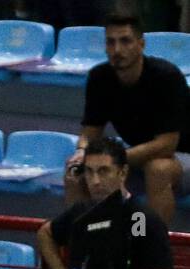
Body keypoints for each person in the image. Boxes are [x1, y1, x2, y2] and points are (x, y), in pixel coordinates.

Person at [40, 137, 171, 269]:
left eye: (103, 171)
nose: (95, 181)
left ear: (122, 173)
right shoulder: (81, 211)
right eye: (89, 172)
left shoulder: (142, 220)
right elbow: (45, 234)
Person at [67, 10, 190, 225]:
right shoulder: (99, 77)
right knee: (76, 173)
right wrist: (82, 152)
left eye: (125, 41)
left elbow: (166, 145)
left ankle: (154, 252)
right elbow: (89, 132)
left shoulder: (166, 77)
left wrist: (114, 159)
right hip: (139, 156)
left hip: (182, 155)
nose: (117, 50)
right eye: (111, 43)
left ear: (141, 45)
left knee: (158, 169)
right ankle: (81, 248)